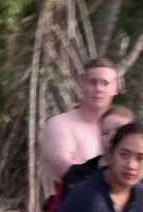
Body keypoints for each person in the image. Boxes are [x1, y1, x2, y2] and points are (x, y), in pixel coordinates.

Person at [40, 58, 122, 200]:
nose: (98, 89)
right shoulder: (60, 124)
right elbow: (68, 173)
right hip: (72, 204)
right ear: (82, 84)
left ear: (115, 88)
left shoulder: (124, 126)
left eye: (105, 83)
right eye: (93, 82)